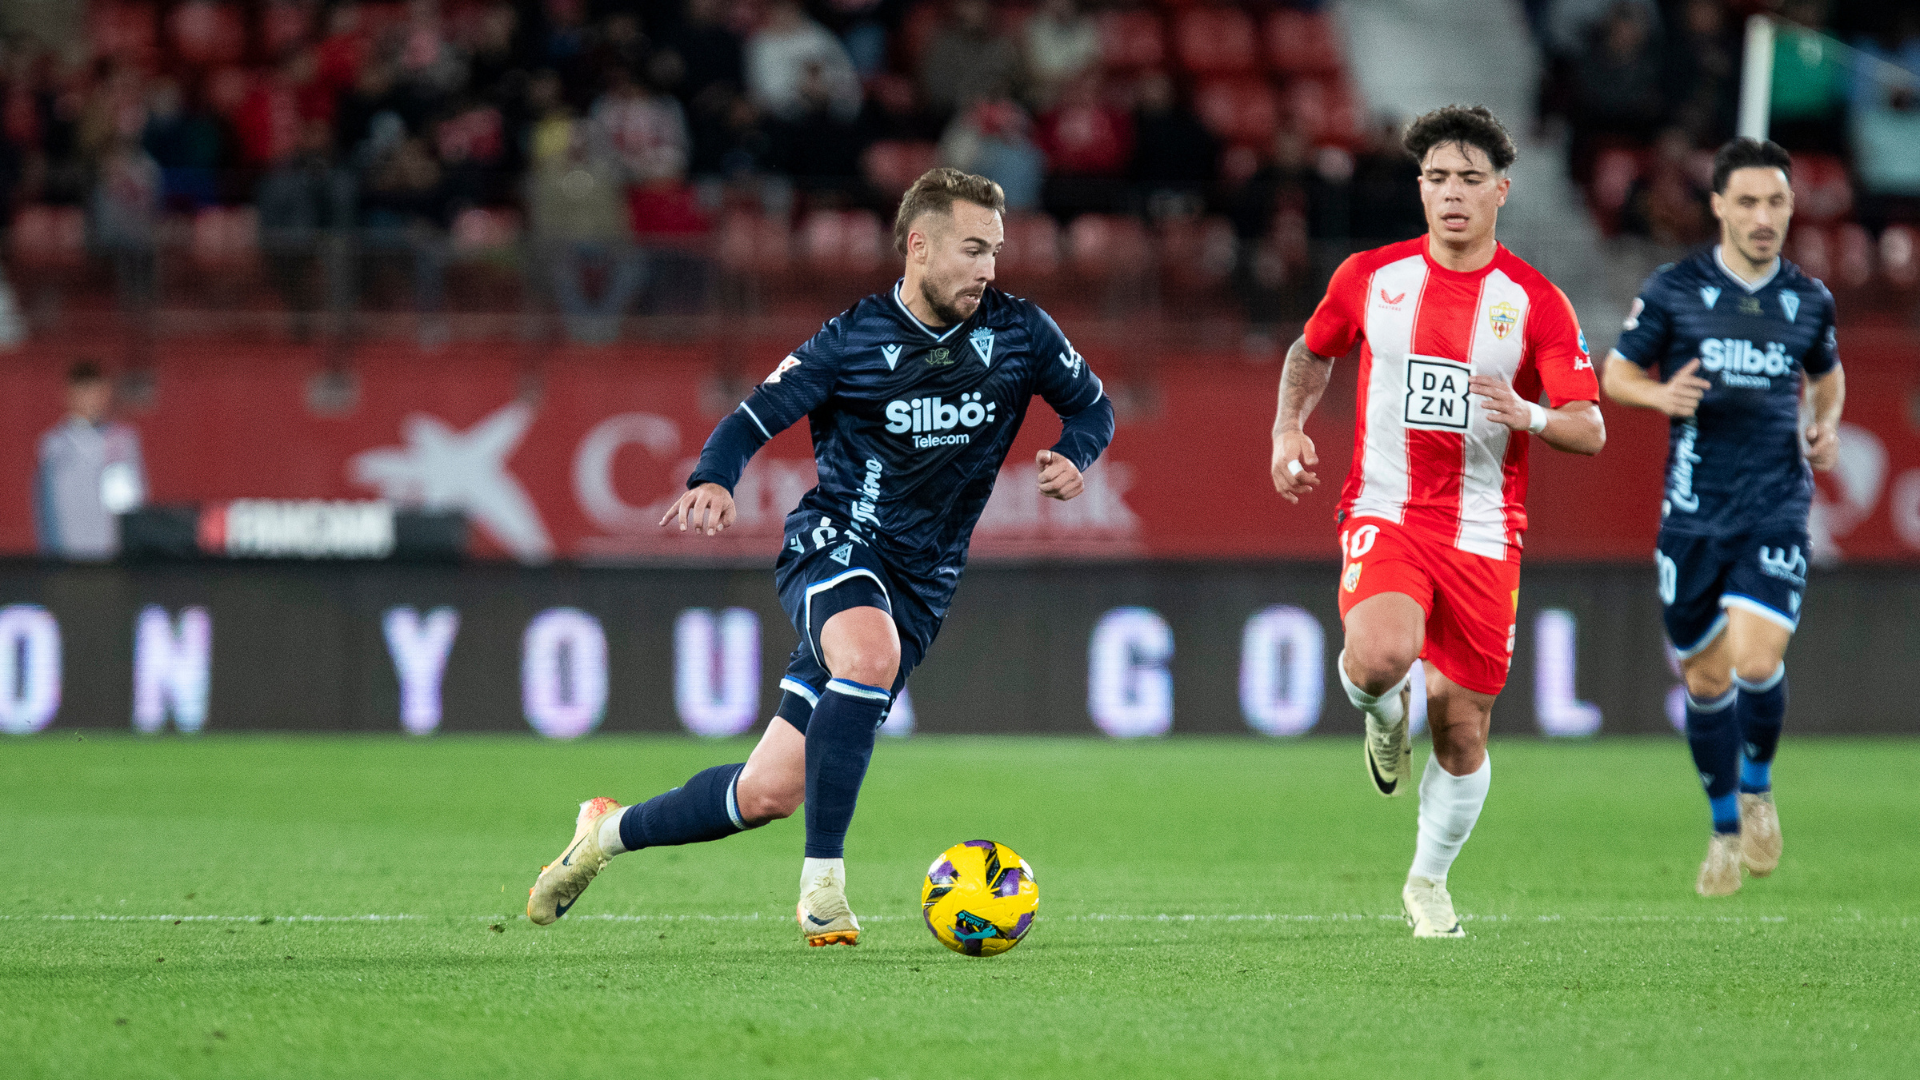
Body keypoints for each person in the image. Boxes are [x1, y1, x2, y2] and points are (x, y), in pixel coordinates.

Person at [525, 168, 1113, 945]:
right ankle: (823, 886)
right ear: (920, 245)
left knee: (767, 792)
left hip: (922, 582)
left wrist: (1076, 453)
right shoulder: (854, 339)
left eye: (996, 252)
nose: (989, 269)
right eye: (973, 250)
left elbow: (1093, 405)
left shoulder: (1019, 332)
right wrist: (712, 477)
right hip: (835, 544)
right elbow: (748, 419)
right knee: (868, 656)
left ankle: (605, 833)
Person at [1269, 105, 1605, 938]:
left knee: (1462, 730)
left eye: (1468, 180)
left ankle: (1428, 883)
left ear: (1502, 191)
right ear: (1420, 189)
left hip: (1486, 533)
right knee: (1379, 656)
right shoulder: (1371, 278)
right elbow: (1313, 350)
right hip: (1387, 508)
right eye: (1436, 179)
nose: (1451, 195)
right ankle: (1382, 715)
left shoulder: (1535, 301)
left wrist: (1525, 414)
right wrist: (1287, 429)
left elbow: (1589, 428)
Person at [1600, 138, 1844, 898]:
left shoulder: (1808, 299)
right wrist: (1658, 396)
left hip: (1774, 505)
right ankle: (1722, 828)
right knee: (1706, 680)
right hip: (1693, 515)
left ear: (1792, 206)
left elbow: (1828, 378)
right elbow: (1616, 373)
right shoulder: (1676, 290)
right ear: (1718, 207)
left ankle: (1759, 787)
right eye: (1747, 201)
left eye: (1775, 201)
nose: (1763, 216)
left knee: (1757, 659)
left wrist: (1825, 425)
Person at [35, 361, 147, 560]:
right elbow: (45, 506)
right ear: (69, 394)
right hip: (68, 554)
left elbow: (130, 503)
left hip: (112, 555)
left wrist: (131, 551)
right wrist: (52, 554)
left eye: (97, 392)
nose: (91, 400)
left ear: (106, 393)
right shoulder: (53, 444)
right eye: (84, 392)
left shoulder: (122, 439)